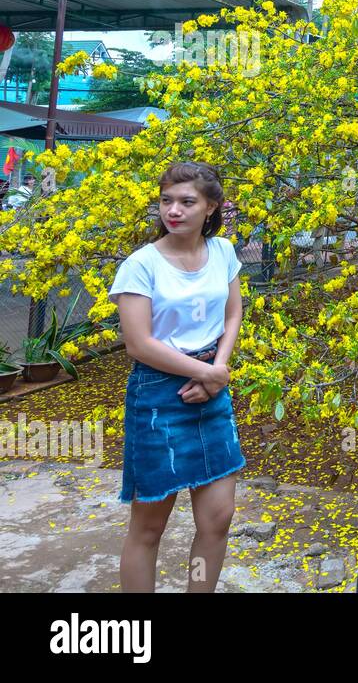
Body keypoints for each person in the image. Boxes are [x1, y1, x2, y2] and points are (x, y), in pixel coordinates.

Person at [108, 161, 245, 593]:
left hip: (211, 387)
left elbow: (233, 312)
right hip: (159, 396)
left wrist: (216, 371)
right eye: (167, 201)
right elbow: (139, 343)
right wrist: (208, 372)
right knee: (149, 527)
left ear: (211, 207)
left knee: (217, 519)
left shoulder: (222, 252)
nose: (174, 210)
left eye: (187, 202)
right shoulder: (141, 265)